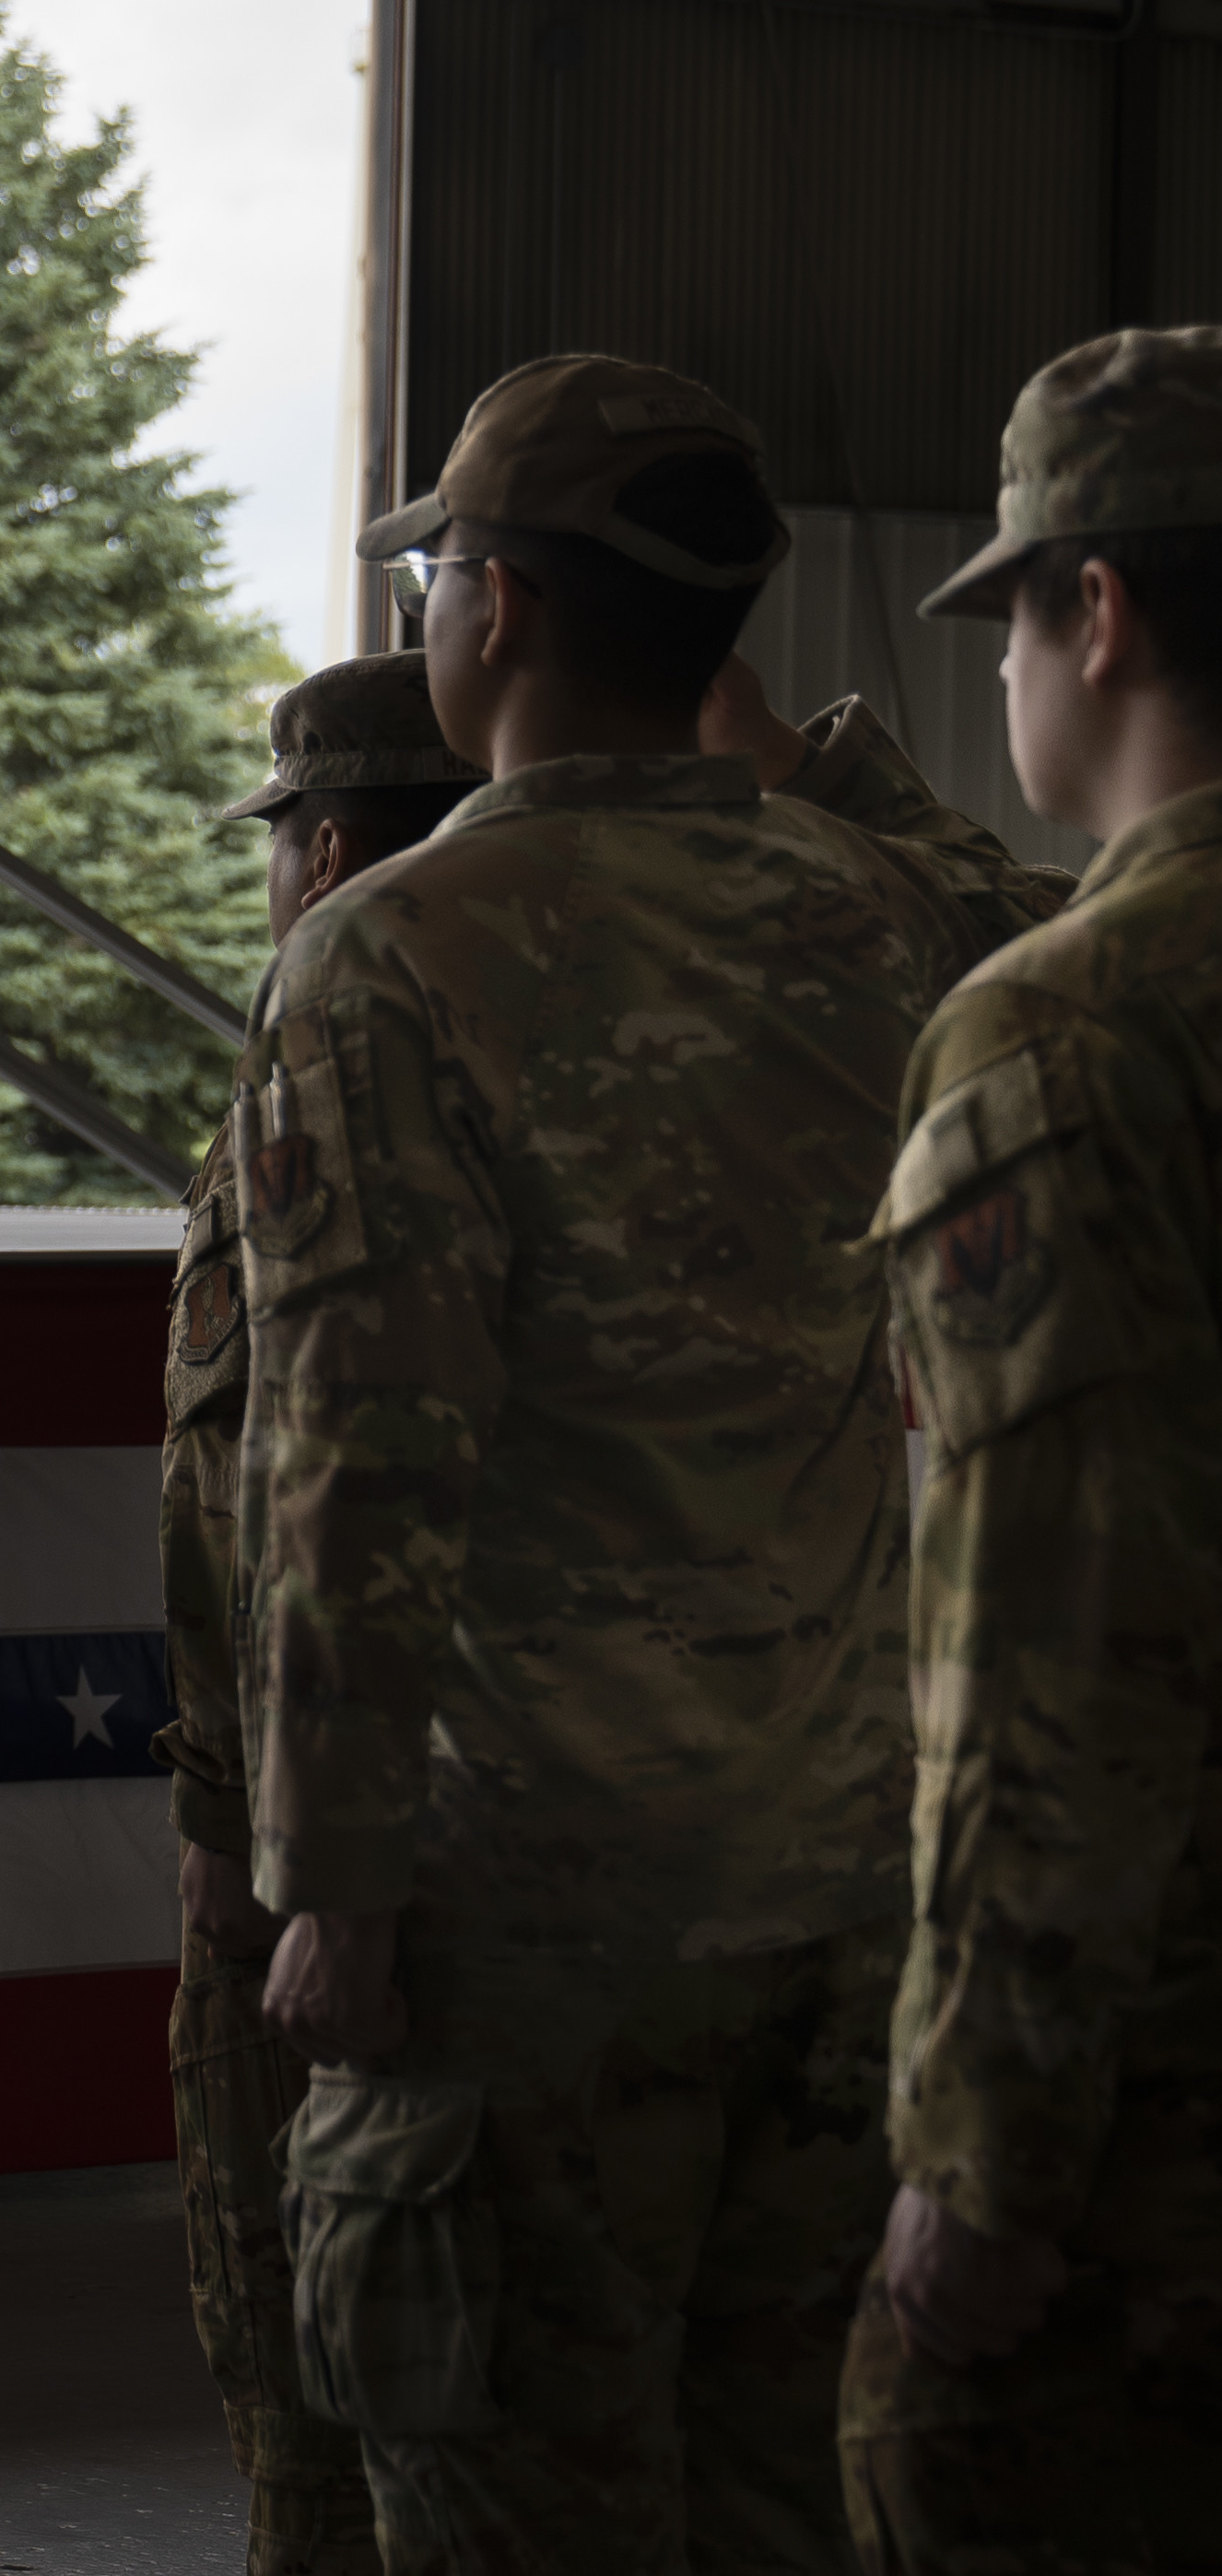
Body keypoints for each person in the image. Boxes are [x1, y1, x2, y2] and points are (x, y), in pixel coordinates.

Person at [241, 356, 1061, 2574]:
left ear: (487, 613)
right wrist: (793, 748)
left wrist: (322, 1861)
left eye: (436, 568)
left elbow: (357, 1442)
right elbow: (1035, 924)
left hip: (525, 1918)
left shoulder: (379, 951)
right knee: (782, 2498)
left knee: (512, 2500)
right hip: (824, 1877)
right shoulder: (878, 923)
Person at [840, 323, 1222, 2571]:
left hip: (1153, 2145)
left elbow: (1053, 1653)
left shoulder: (1067, 1024)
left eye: (1002, 614)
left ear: (1090, 611)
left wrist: (975, 2163)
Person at [157, 653, 478, 2576]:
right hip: (534, 1810)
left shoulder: (335, 1061)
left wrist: (226, 1810)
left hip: (321, 1833)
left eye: (282, 840)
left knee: (305, 2370)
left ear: (328, 843)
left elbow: (272, 1470)